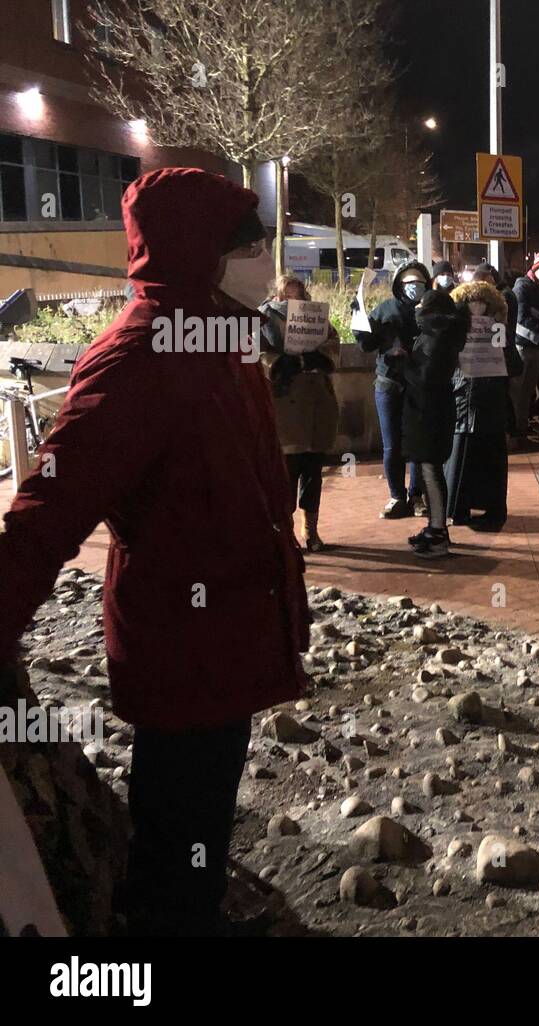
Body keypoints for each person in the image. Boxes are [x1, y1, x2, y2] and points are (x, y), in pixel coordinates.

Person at [0, 167, 310, 936]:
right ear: (200, 252)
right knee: (176, 843)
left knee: (198, 826)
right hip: (185, 651)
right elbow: (47, 511)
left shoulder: (221, 337)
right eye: (251, 244)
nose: (265, 259)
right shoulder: (138, 358)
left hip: (228, 644)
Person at [258, 274, 340, 553]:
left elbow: (333, 345)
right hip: (286, 405)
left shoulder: (316, 317)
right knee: (287, 474)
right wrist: (280, 363)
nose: (293, 299)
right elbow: (256, 355)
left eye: (298, 294)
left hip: (317, 402)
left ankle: (311, 531)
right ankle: (284, 533)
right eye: (287, 295)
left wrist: (317, 357)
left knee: (313, 471)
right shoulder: (264, 320)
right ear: (278, 296)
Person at [444, 276, 522, 530]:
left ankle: (492, 509)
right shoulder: (454, 330)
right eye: (471, 303)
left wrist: (500, 354)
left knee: (491, 458)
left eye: (481, 303)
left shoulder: (499, 330)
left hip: (490, 402)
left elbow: (514, 365)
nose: (476, 308)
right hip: (463, 399)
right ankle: (457, 508)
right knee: (460, 455)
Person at [358, 258, 430, 518]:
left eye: (420, 283)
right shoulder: (385, 310)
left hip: (420, 385)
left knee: (418, 444)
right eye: (410, 283)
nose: (415, 287)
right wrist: (360, 322)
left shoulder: (430, 310)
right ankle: (397, 495)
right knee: (392, 446)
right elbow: (366, 344)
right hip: (389, 384)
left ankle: (417, 496)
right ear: (400, 284)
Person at [404, 287, 469, 558]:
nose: (417, 309)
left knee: (431, 471)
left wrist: (402, 365)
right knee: (429, 469)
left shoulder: (439, 336)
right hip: (429, 411)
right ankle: (435, 526)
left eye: (421, 305)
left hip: (429, 413)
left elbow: (426, 376)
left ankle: (438, 530)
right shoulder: (441, 333)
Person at [510, 256, 539, 449]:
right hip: (524, 346)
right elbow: (521, 317)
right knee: (518, 391)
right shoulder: (522, 287)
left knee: (527, 392)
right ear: (534, 269)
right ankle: (516, 432)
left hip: (536, 347)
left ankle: (522, 427)